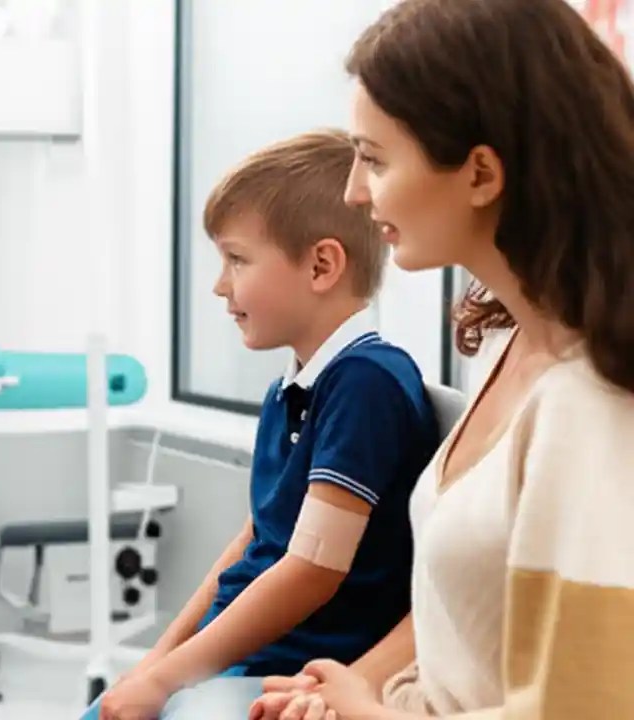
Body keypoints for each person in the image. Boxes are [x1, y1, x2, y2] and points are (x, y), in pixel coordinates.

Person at [251, 0, 634, 718]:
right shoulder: (513, 343)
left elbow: (590, 708)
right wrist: (351, 689)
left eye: (374, 159)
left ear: (481, 173)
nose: (353, 191)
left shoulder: (591, 400)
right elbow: (464, 621)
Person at [88, 130, 439, 720]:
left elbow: (312, 571)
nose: (220, 286)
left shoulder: (366, 384)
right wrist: (154, 666)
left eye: (237, 260)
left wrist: (167, 679)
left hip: (296, 672)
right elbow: (253, 543)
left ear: (322, 265)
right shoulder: (291, 390)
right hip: (244, 657)